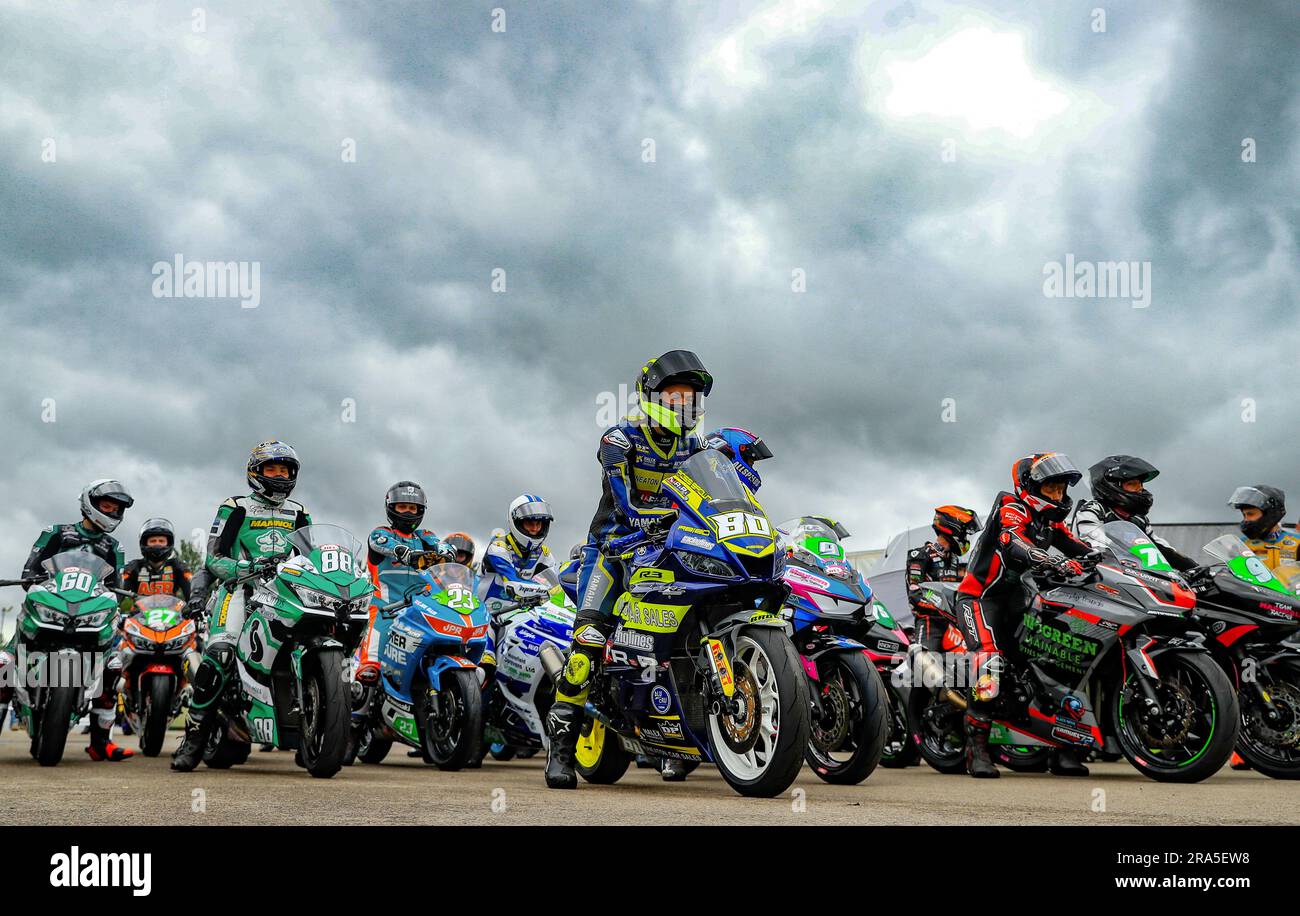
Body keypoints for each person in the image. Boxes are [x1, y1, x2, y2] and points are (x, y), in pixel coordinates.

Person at [545, 349, 713, 789]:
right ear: (652, 395)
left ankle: (674, 745)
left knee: (691, 634)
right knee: (587, 646)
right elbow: (626, 504)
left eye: (692, 397)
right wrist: (648, 518)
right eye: (676, 395)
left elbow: (717, 490)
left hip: (668, 549)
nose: (685, 405)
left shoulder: (696, 447)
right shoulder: (619, 438)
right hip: (612, 551)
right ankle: (560, 754)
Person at [171, 441, 312, 771]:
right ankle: (194, 736)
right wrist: (246, 569)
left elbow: (309, 556)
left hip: (285, 594)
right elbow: (214, 558)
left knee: (306, 648)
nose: (279, 475)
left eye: (285, 470)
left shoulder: (299, 511)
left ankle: (313, 731)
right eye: (272, 469)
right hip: (239, 590)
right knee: (220, 651)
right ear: (256, 473)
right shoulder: (235, 506)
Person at [956, 454, 1095, 779]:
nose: (1058, 496)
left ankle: (1064, 749)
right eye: (1051, 488)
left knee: (1062, 650)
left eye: (1061, 490)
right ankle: (976, 748)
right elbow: (1012, 540)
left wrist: (1104, 557)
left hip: (1019, 600)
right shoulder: (1011, 505)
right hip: (979, 598)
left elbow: (1076, 545)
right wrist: (1050, 560)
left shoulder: (1051, 521)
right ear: (1031, 486)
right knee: (988, 662)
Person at [0, 480, 136, 761]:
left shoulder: (114, 545)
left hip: (89, 612)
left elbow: (116, 585)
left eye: (116, 508)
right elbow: (32, 567)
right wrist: (31, 579)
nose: (111, 511)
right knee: (5, 660)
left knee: (112, 665)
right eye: (106, 505)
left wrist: (119, 598)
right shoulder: (57, 532)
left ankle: (100, 743)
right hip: (52, 603)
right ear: (90, 503)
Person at [353, 482, 451, 687]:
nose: (408, 512)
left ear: (420, 510)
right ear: (391, 508)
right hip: (385, 609)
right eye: (402, 507)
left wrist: (446, 551)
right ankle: (357, 711)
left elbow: (442, 544)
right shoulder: (381, 533)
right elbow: (380, 542)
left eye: (412, 508)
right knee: (370, 670)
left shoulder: (425, 536)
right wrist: (403, 552)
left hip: (421, 610)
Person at [1073, 456, 1199, 571]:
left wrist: (1194, 569)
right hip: (1092, 577)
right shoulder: (1092, 510)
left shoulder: (1139, 519)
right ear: (1111, 486)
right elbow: (1093, 544)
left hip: (1133, 579)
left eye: (1140, 484)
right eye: (1132, 484)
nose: (1140, 490)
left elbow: (1160, 549)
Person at [906, 506, 981, 652]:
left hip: (954, 623)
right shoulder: (920, 555)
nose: (965, 538)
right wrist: (943, 605)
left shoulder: (953, 558)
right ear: (952, 529)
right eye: (964, 533)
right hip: (930, 622)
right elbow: (915, 595)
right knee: (924, 665)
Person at [1228, 486, 1299, 572]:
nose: (1246, 520)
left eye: (1250, 514)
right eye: (1244, 515)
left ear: (1270, 514)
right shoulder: (1242, 545)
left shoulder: (1297, 543)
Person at [121, 518, 193, 601]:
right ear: (144, 543)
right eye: (153, 541)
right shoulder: (133, 567)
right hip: (138, 613)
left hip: (172, 613)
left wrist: (194, 606)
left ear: (169, 544)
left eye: (161, 541)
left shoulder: (178, 567)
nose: (157, 544)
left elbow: (191, 593)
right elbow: (118, 592)